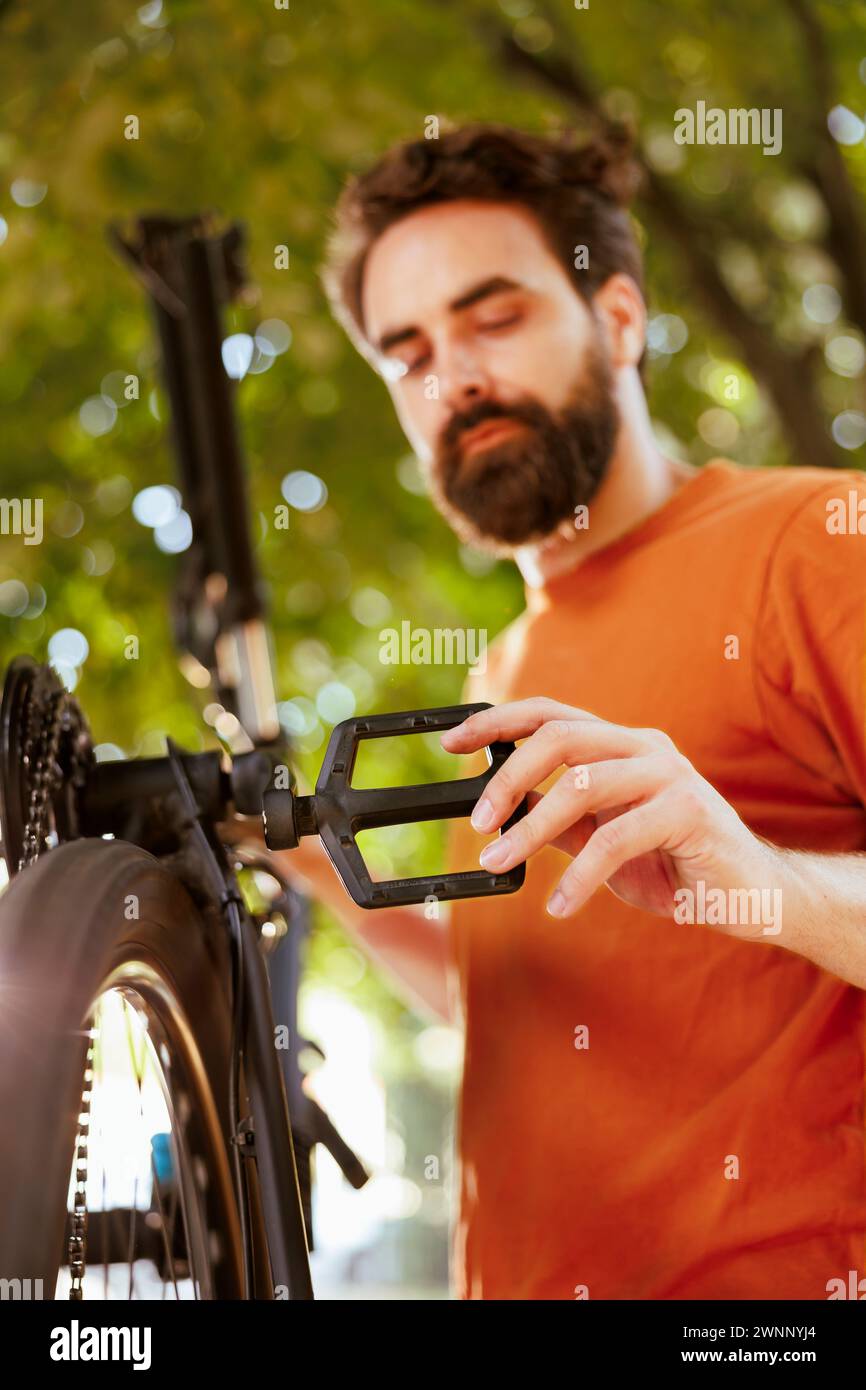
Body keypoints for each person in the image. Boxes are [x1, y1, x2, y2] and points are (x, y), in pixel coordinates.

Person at [260, 123, 866, 1299]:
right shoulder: (500, 672)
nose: (456, 376)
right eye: (408, 352)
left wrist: (757, 874)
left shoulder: (816, 545)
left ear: (619, 320)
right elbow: (522, 1011)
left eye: (495, 318)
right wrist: (347, 898)